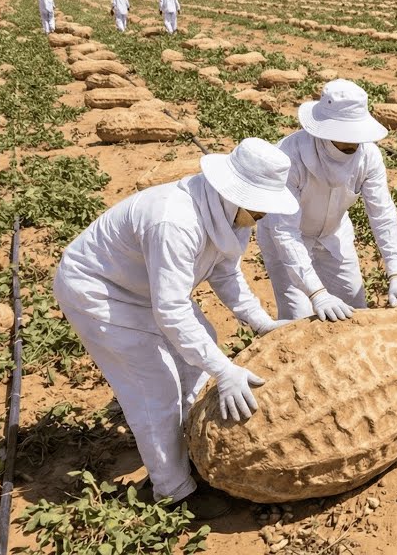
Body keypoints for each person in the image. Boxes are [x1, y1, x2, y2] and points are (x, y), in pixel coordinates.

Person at [53, 138, 300, 518]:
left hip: (145, 285)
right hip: (100, 290)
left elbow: (226, 271)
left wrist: (259, 320)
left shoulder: (234, 214)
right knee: (154, 387)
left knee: (200, 353)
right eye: (260, 207)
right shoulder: (176, 219)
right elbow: (170, 309)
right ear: (236, 192)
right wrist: (224, 369)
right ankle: (174, 492)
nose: (264, 216)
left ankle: (190, 440)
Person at [257, 79, 397, 321]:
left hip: (334, 234)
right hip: (285, 238)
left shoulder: (368, 156)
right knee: (299, 317)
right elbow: (285, 232)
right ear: (323, 130)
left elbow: (382, 214)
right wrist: (317, 293)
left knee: (354, 307)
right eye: (343, 134)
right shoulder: (290, 157)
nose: (352, 142)